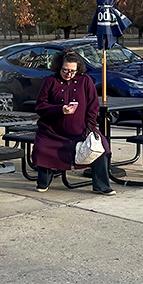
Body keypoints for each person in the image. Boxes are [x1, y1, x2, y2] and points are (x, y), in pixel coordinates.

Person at [33, 50, 115, 195]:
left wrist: (89, 127)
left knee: (101, 147)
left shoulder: (85, 81)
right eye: (65, 70)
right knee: (42, 148)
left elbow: (93, 106)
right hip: (52, 130)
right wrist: (59, 109)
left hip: (81, 128)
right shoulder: (51, 81)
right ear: (59, 67)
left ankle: (101, 185)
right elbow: (40, 106)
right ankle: (43, 181)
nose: (69, 74)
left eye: (72, 71)